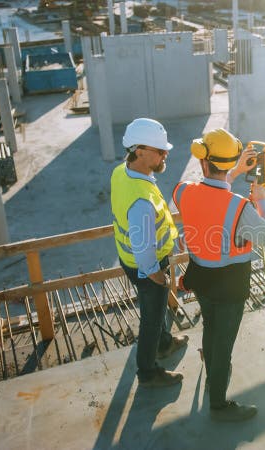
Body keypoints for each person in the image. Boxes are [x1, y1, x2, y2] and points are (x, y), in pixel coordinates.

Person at [172, 128, 265, 422]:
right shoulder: (240, 207)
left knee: (210, 328)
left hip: (200, 279)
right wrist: (262, 199)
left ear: (203, 162)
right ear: (230, 162)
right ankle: (218, 405)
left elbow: (210, 193)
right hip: (230, 288)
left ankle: (212, 377)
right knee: (224, 347)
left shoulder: (182, 191)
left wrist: (231, 174)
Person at [110, 118, 189, 388]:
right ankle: (147, 372)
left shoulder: (122, 172)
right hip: (146, 266)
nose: (165, 154)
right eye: (159, 150)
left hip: (129, 258)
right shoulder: (141, 201)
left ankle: (165, 344)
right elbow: (145, 250)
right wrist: (157, 276)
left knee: (155, 313)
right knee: (152, 320)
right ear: (140, 151)